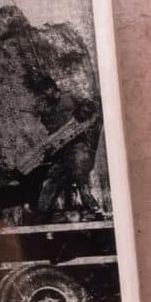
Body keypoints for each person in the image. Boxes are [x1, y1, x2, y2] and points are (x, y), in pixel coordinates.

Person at [33, 76, 103, 222]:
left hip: (78, 145)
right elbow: (47, 129)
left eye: (44, 91)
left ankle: (93, 209)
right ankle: (41, 213)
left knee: (79, 174)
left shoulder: (70, 96)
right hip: (61, 150)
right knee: (51, 179)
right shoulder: (47, 108)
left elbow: (91, 107)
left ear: (51, 88)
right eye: (41, 93)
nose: (43, 95)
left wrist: (83, 112)